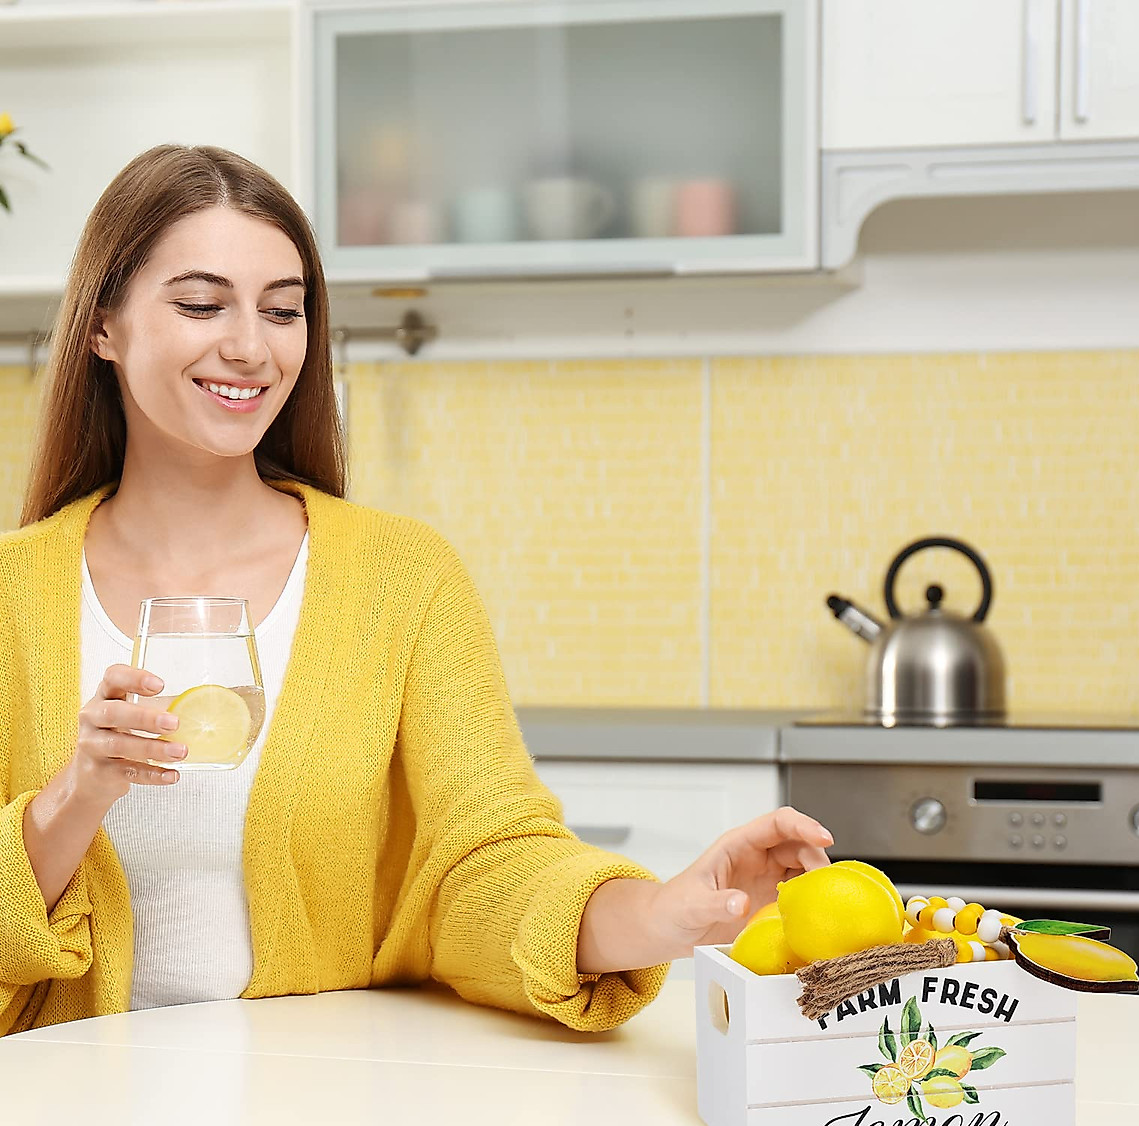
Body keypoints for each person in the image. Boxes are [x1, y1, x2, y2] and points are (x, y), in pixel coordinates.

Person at [0, 145, 833, 1039]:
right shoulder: (13, 593)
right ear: (104, 327)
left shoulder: (403, 579)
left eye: (282, 310)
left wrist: (663, 915)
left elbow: (490, 862)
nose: (250, 346)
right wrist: (73, 799)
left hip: (314, 1102)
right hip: (59, 1105)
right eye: (202, 304)